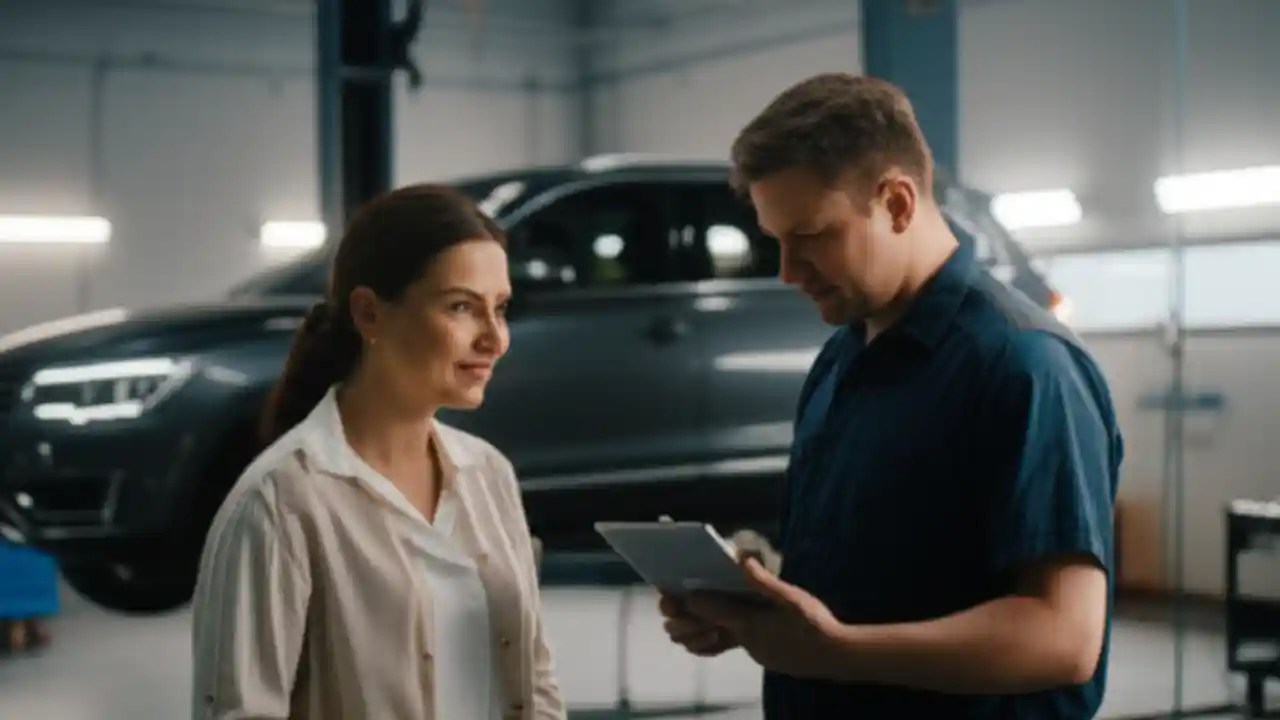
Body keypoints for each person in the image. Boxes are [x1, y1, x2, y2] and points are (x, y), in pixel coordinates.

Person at [660, 73, 1124, 718]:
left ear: (898, 204)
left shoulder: (1026, 366)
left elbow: (1063, 638)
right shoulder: (842, 358)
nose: (788, 273)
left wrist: (838, 651)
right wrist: (756, 607)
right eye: (776, 242)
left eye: (812, 236)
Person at [191, 184, 565, 719]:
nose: (494, 339)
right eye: (461, 307)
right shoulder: (281, 504)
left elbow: (536, 681)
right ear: (369, 313)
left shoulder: (489, 475)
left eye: (500, 309)